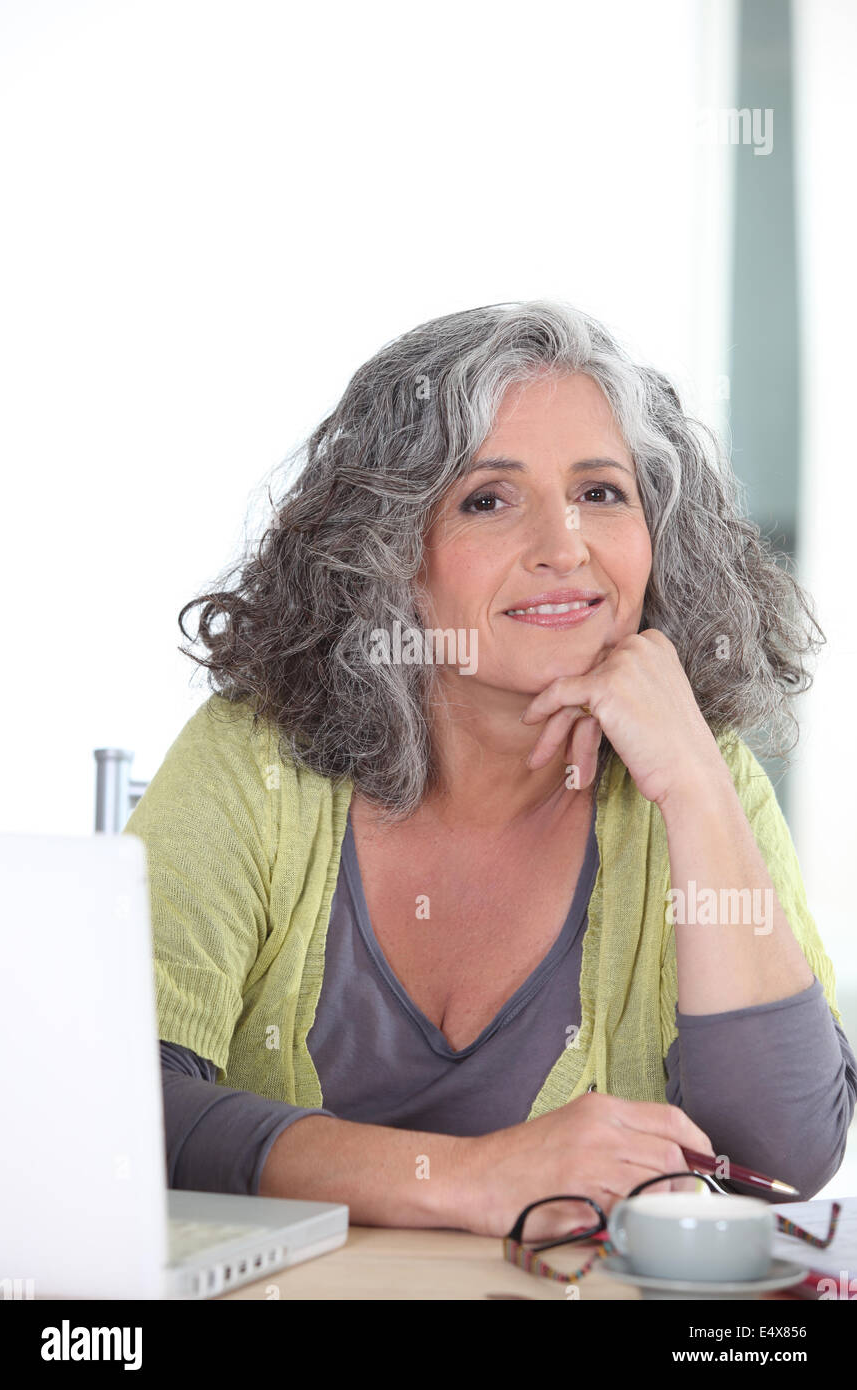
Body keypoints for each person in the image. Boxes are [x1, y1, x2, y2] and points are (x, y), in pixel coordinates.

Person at [128, 299, 856, 1244]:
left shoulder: (696, 780)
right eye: (488, 499)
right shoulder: (255, 760)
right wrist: (466, 1179)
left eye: (602, 493)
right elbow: (113, 1109)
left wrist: (694, 784)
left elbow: (784, 1155)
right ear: (390, 554)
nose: (566, 547)